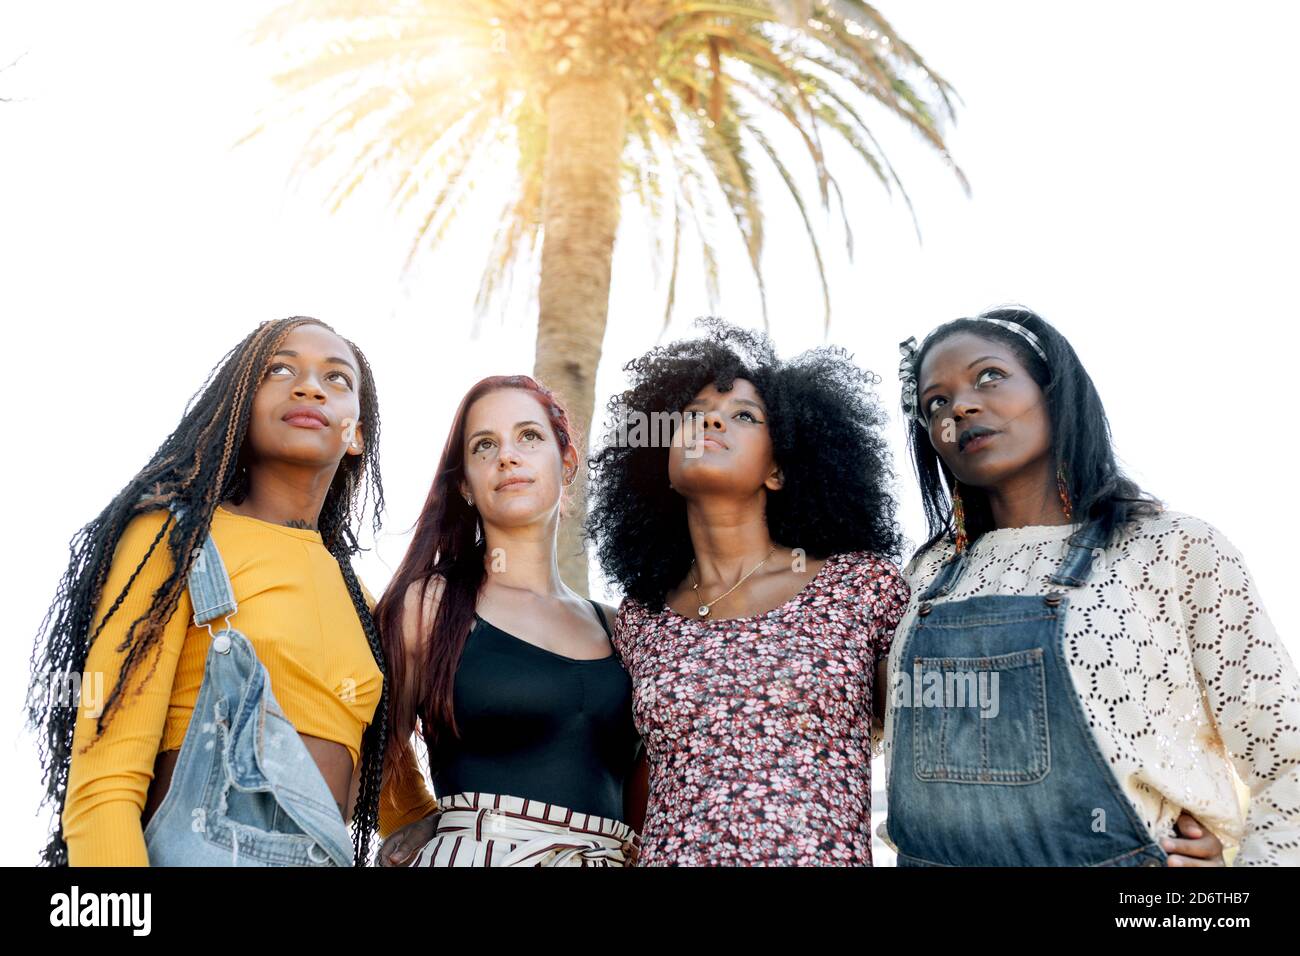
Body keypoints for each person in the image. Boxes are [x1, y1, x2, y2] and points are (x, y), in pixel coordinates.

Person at [883, 306, 1298, 866]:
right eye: (937, 402)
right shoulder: (920, 580)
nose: (962, 406)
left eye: (989, 377)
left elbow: (1286, 761)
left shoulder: (1172, 550)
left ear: (1054, 391)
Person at [28, 316, 436, 866]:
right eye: (280, 369)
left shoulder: (362, 603)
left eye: (337, 379)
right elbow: (103, 786)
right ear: (240, 405)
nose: (310, 386)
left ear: (357, 434)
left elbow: (406, 809)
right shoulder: (173, 542)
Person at [585, 319, 909, 865]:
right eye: (690, 415)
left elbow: (931, 738)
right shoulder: (642, 620)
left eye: (744, 415)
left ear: (779, 470)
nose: (710, 420)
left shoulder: (860, 587)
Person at [375, 375, 642, 868]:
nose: (507, 456)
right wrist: (430, 819)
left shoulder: (620, 627)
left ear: (566, 463)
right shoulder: (429, 605)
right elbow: (376, 754)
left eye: (530, 437)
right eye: (484, 445)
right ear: (465, 486)